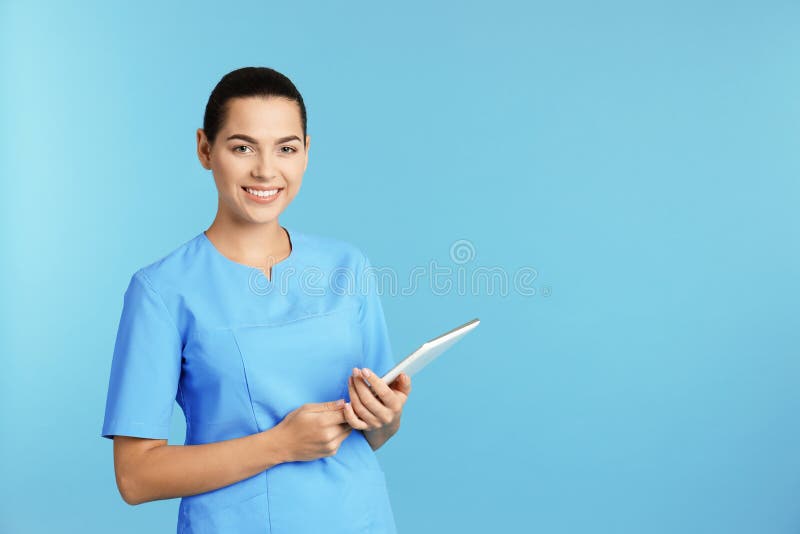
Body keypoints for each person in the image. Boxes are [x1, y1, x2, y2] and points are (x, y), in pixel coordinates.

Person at [100, 66, 412, 533]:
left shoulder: (347, 266)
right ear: (206, 149)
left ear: (306, 153)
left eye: (286, 148)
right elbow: (135, 476)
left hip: (359, 518)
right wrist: (281, 444)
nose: (266, 170)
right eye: (242, 147)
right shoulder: (162, 291)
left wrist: (383, 417)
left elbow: (373, 435)